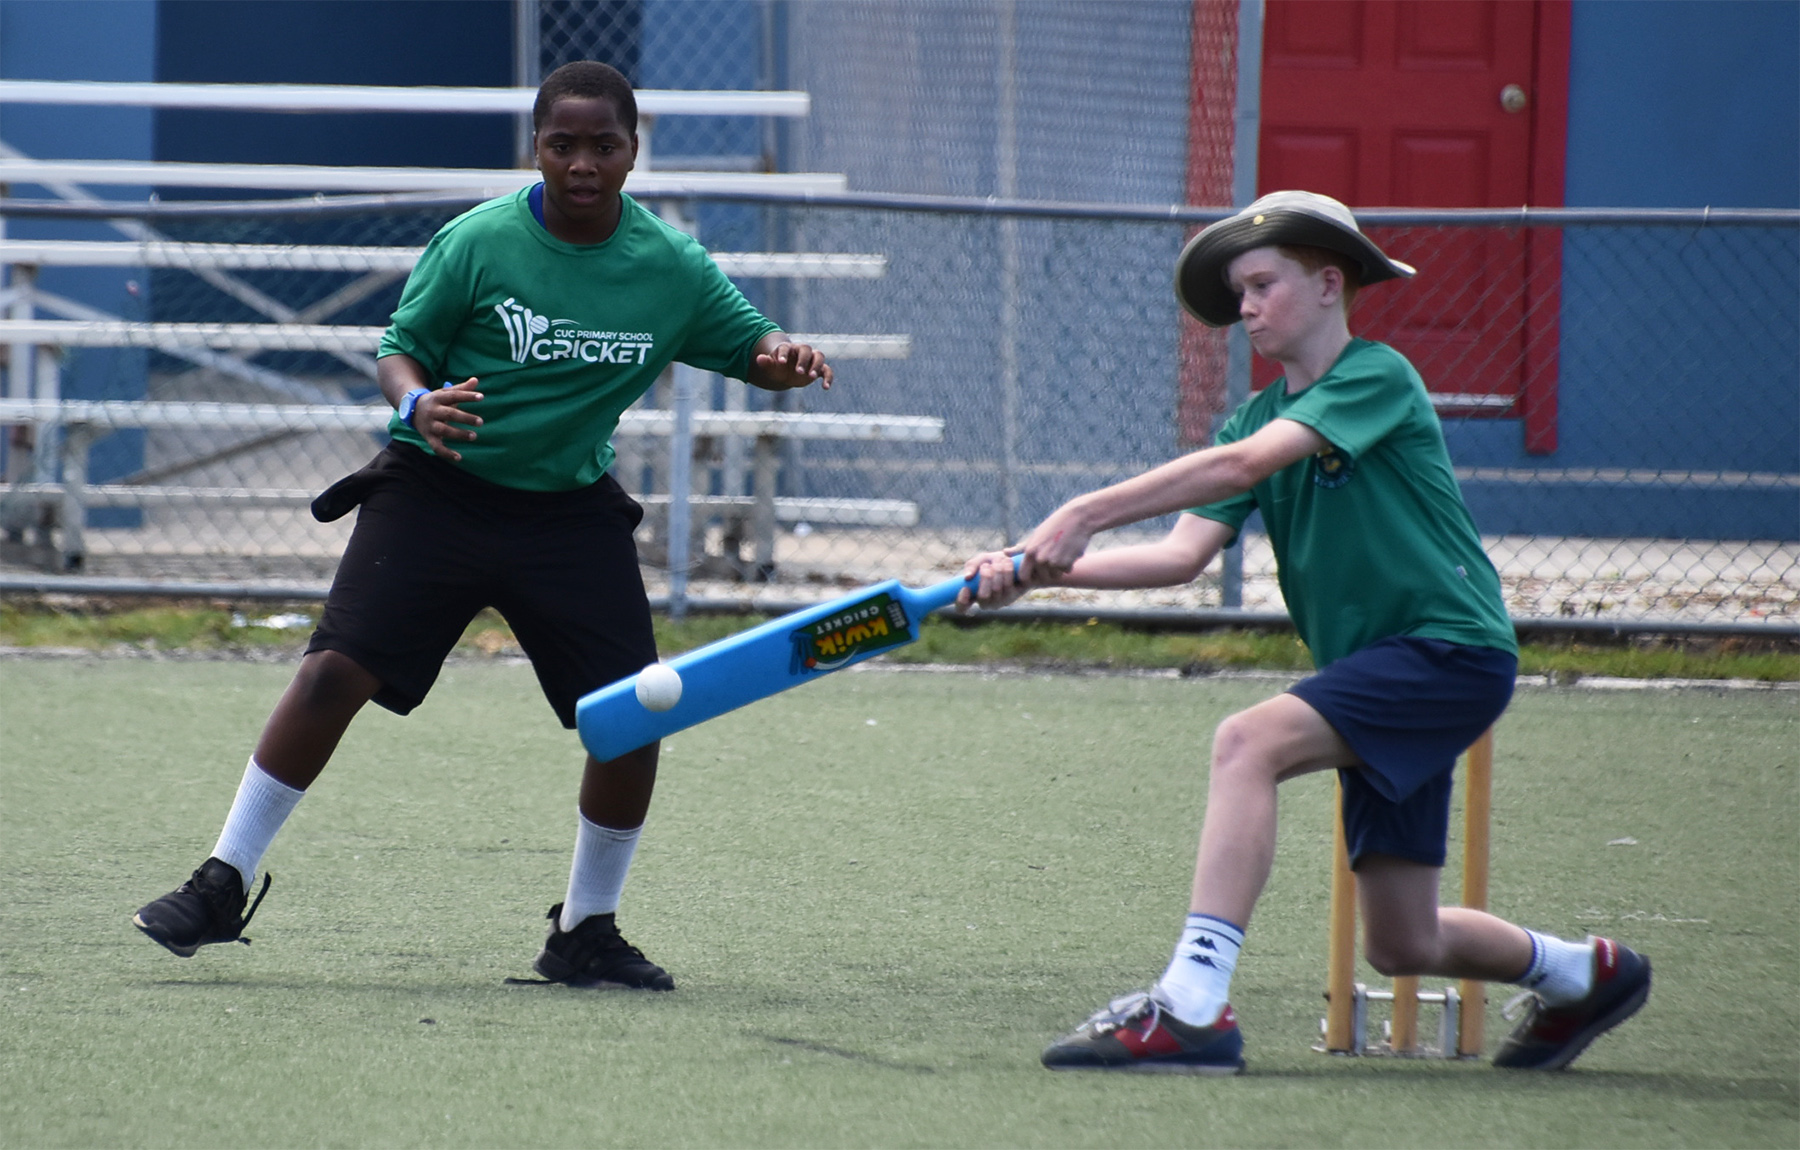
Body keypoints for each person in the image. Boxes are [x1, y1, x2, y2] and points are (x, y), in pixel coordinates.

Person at [132, 61, 834, 991]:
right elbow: (399, 349)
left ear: (634, 148)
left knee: (629, 721)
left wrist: (784, 358)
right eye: (562, 144)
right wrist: (416, 403)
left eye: (604, 145)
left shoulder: (671, 267)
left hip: (567, 515)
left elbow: (751, 345)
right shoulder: (479, 241)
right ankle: (220, 884)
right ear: (535, 147)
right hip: (438, 492)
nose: (583, 163)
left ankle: (585, 932)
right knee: (333, 670)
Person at [959, 191, 1650, 1074]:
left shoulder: (1376, 377)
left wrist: (1083, 511)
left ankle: (1193, 1005)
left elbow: (1247, 466)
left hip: (1448, 648)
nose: (1244, 306)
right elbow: (1180, 556)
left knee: (1247, 741)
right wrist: (1036, 571)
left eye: (1261, 284)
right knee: (1403, 940)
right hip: (1381, 667)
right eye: (1237, 291)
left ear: (1330, 283)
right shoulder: (1247, 421)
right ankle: (1585, 973)